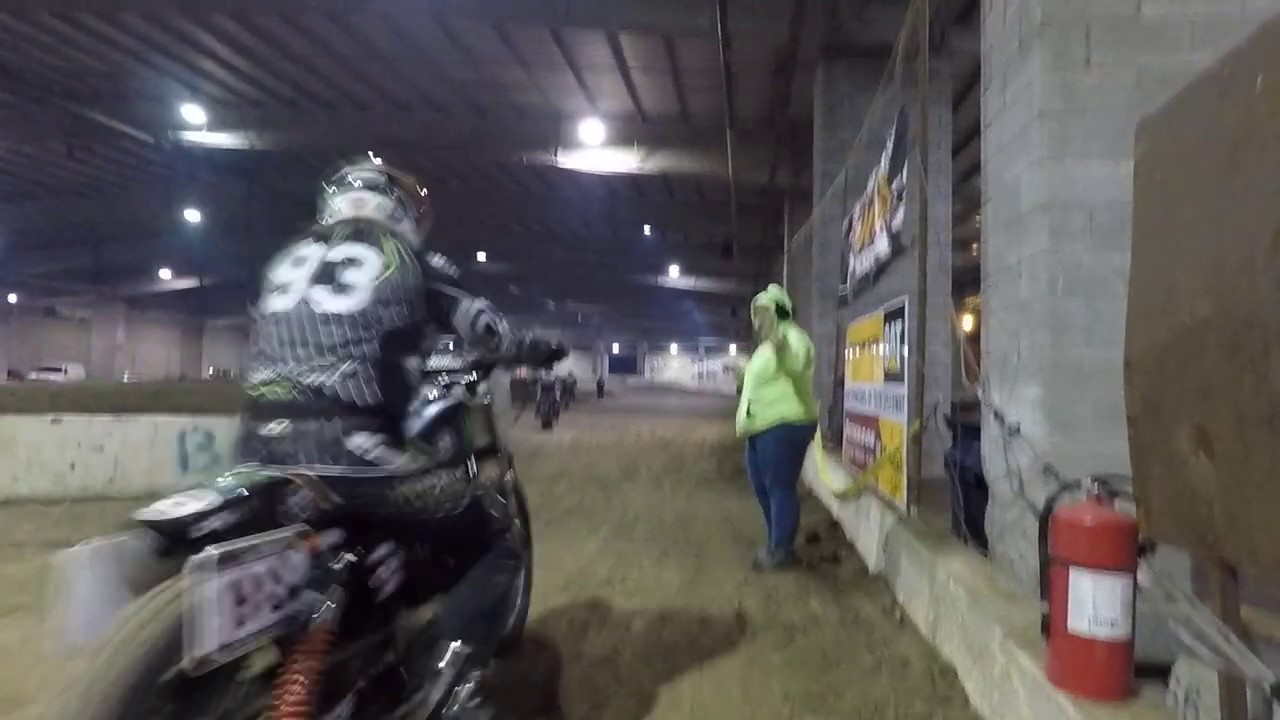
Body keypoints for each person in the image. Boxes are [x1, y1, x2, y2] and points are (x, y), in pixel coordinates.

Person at [236, 156, 564, 719]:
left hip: (256, 456)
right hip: (353, 454)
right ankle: (446, 691)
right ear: (399, 210)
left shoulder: (282, 261)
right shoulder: (406, 257)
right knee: (495, 535)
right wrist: (536, 348)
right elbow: (487, 331)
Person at [735, 283, 819, 571]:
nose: (759, 320)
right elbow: (756, 379)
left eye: (765, 312)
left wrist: (781, 349)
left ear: (779, 311)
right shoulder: (766, 347)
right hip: (760, 427)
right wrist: (741, 377)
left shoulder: (793, 338)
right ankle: (776, 543)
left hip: (785, 424)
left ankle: (782, 550)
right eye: (756, 314)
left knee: (780, 487)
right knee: (763, 488)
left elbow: (797, 365)